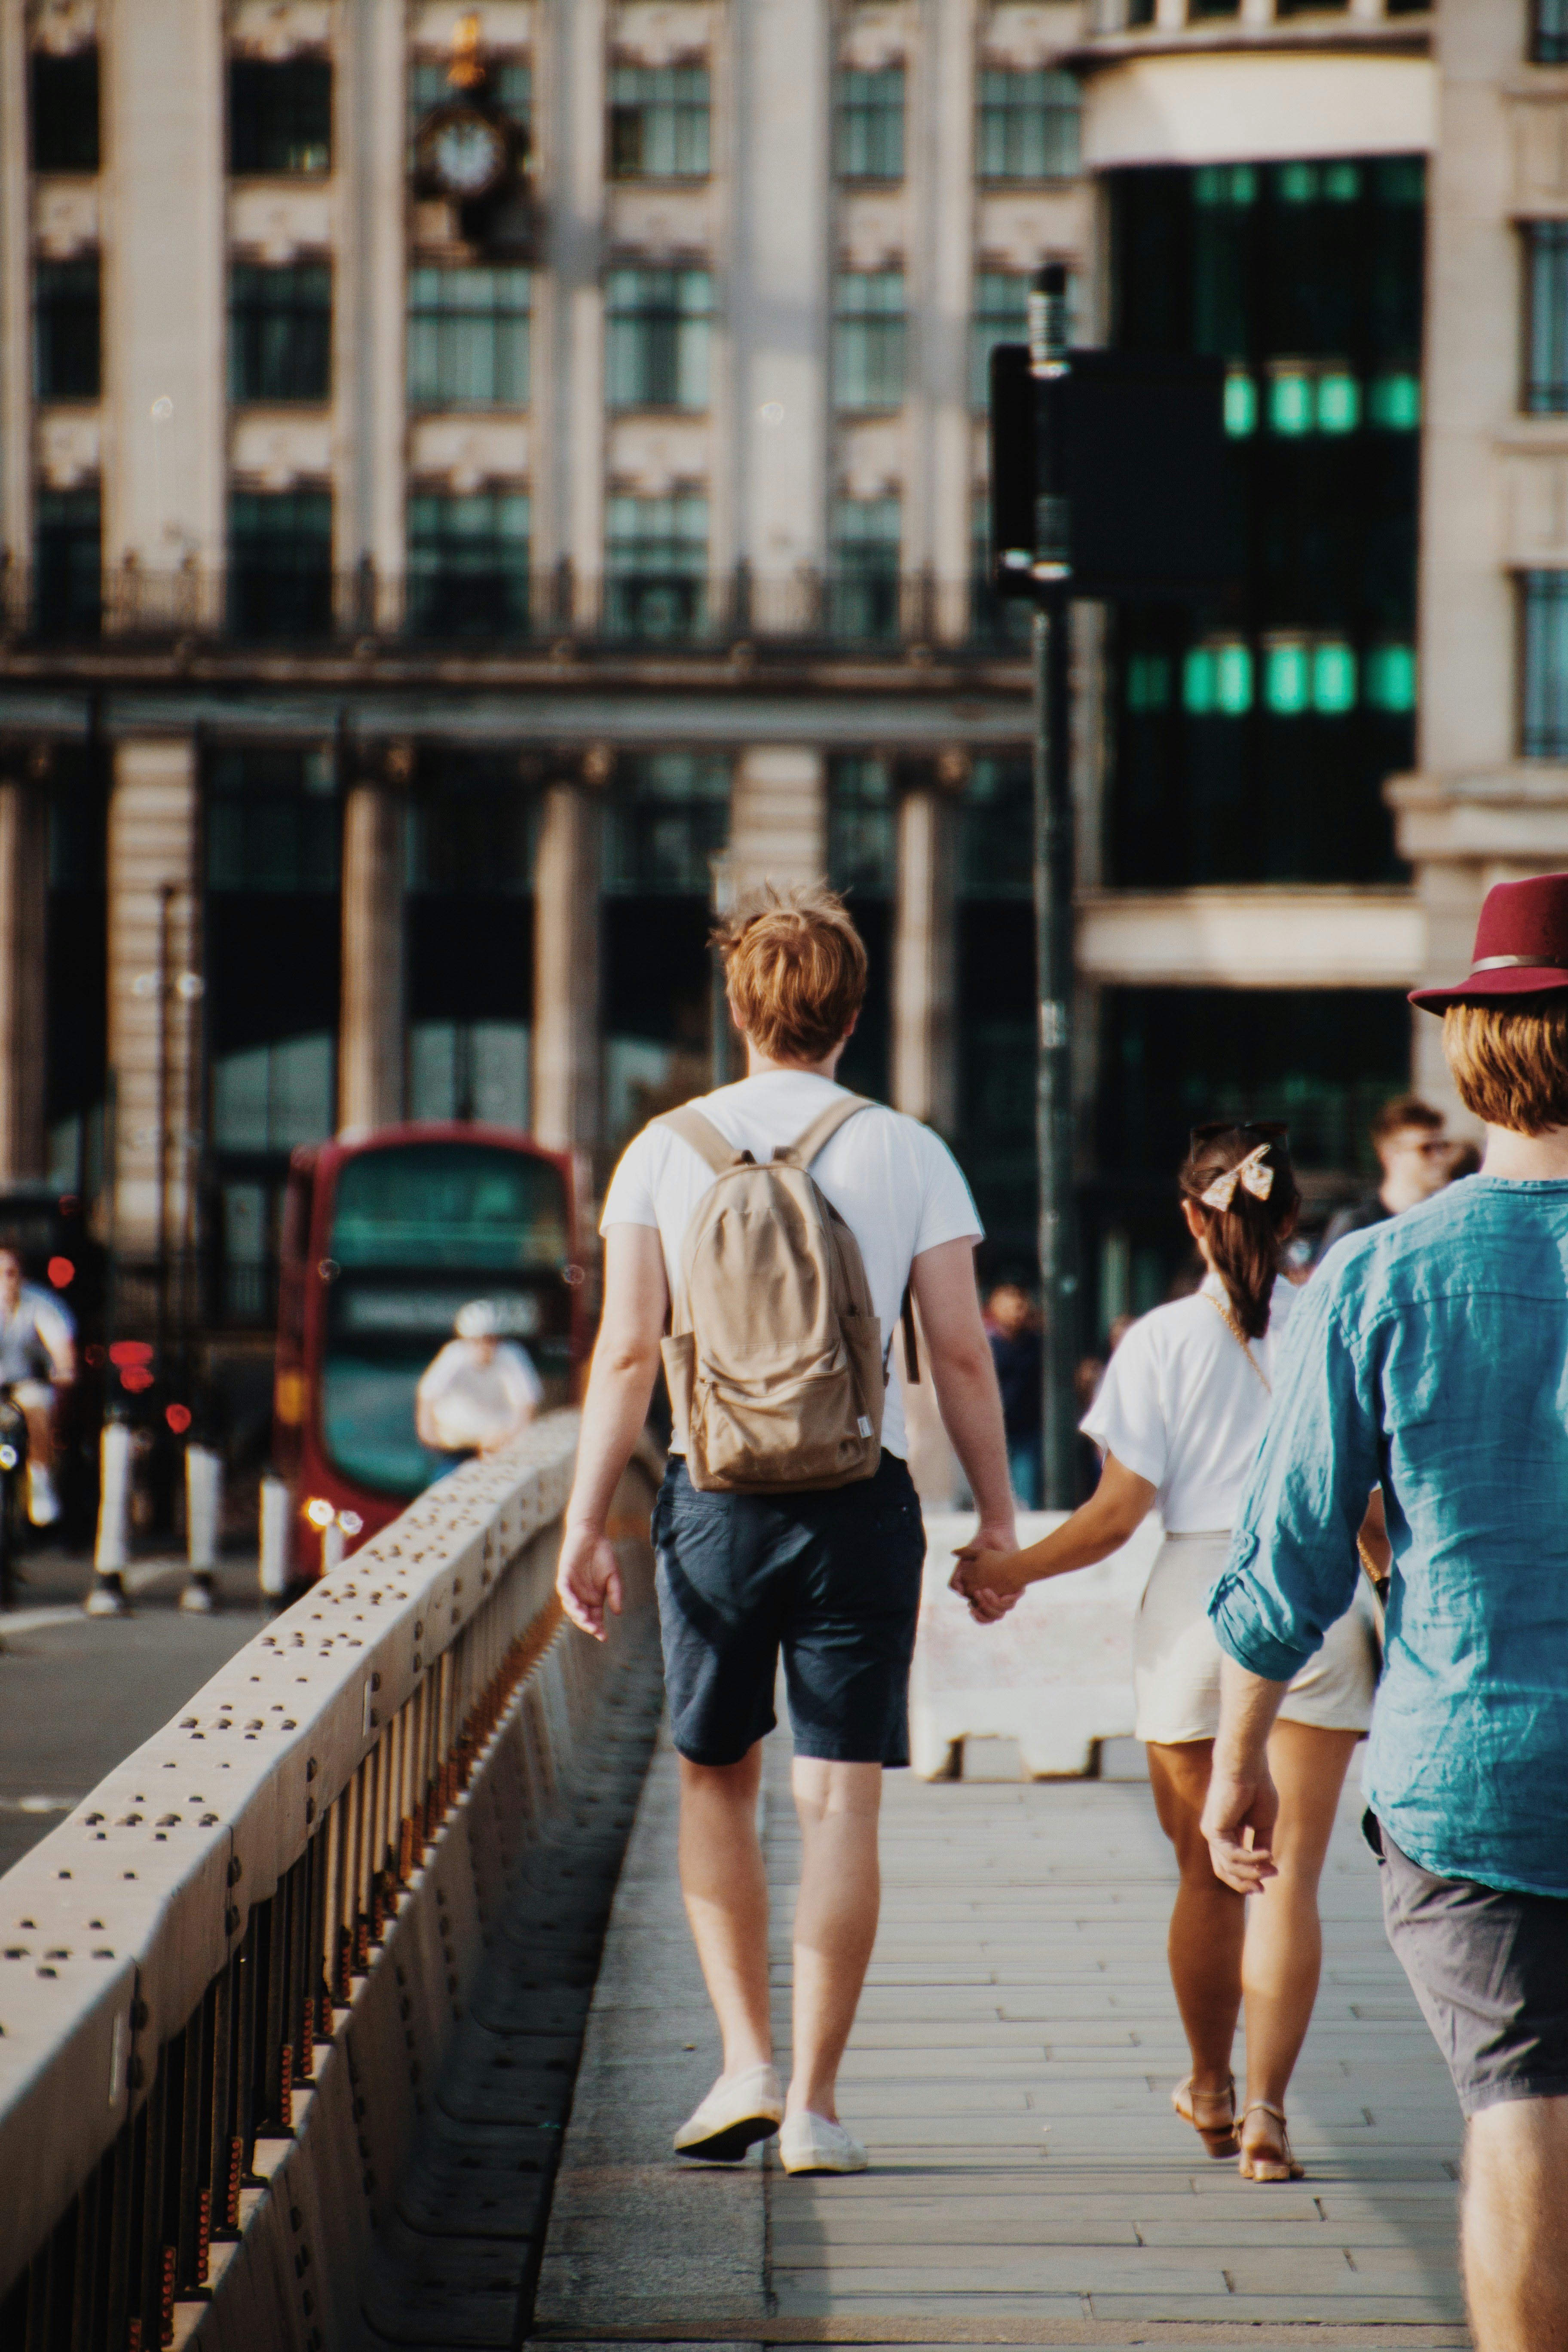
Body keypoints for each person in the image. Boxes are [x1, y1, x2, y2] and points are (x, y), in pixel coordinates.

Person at [555, 885, 1014, 2176]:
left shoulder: (662, 1150)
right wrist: (993, 1514)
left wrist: (587, 1523)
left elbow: (628, 1351)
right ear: (853, 1014)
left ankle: (743, 2067)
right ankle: (814, 2106)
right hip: (858, 1502)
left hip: (714, 1504)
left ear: (738, 1007)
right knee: (839, 1802)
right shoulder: (906, 1150)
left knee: (716, 1779)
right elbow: (963, 1356)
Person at [1201, 872, 1568, 2351]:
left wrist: (1235, 1762)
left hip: (1463, 1769)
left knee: (1517, 2104)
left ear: (1468, 1049)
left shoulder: (1378, 1273)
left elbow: (1288, 1555)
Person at [952, 1122, 1378, 2182]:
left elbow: (1114, 1515)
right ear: (1290, 1219)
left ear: (1191, 1216)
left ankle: (1210, 2084)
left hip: (1196, 1610)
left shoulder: (1158, 1341)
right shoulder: (1339, 1324)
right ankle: (1272, 2113)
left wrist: (1007, 1567)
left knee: (1206, 1871)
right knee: (1288, 1882)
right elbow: (1371, 1507)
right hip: (1317, 1605)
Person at [1313, 1093, 1449, 1262]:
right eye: (1426, 1149)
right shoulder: (1357, 1227)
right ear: (1390, 1156)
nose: (1440, 1157)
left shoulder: (1444, 1221)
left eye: (1443, 1147)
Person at [0, 1244, 75, 1527]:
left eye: (11, 1273)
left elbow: (61, 1350)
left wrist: (64, 1371)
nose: (5, 1281)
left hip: (24, 1385)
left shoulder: (41, 1304)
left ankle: (40, 1480)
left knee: (39, 1406)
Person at [415, 1298, 542, 1458]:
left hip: (496, 1439)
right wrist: (429, 1436)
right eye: (476, 1341)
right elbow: (428, 1394)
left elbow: (526, 1403)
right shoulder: (454, 1355)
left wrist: (511, 1438)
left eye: (489, 1340)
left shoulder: (511, 1356)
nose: (483, 1347)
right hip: (457, 1441)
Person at [986, 1281, 1043, 1509]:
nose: (1017, 1313)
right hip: (995, 1428)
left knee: (1026, 1492)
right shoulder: (989, 1345)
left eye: (1021, 1307)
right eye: (1010, 1307)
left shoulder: (1036, 1344)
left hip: (1026, 1429)